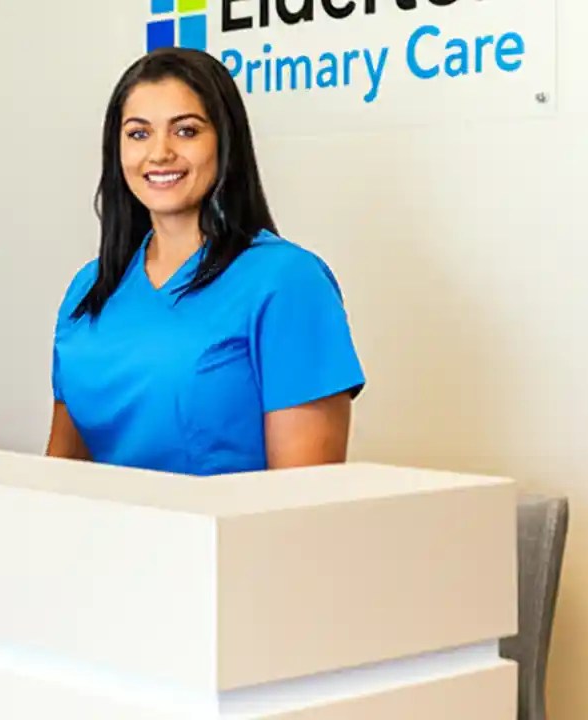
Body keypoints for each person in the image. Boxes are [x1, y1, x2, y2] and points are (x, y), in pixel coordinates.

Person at [45, 47, 365, 476]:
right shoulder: (89, 287)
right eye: (138, 134)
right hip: (101, 540)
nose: (159, 153)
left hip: (225, 543)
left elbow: (303, 503)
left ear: (224, 140)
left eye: (186, 131)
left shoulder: (288, 282)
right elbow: (60, 476)